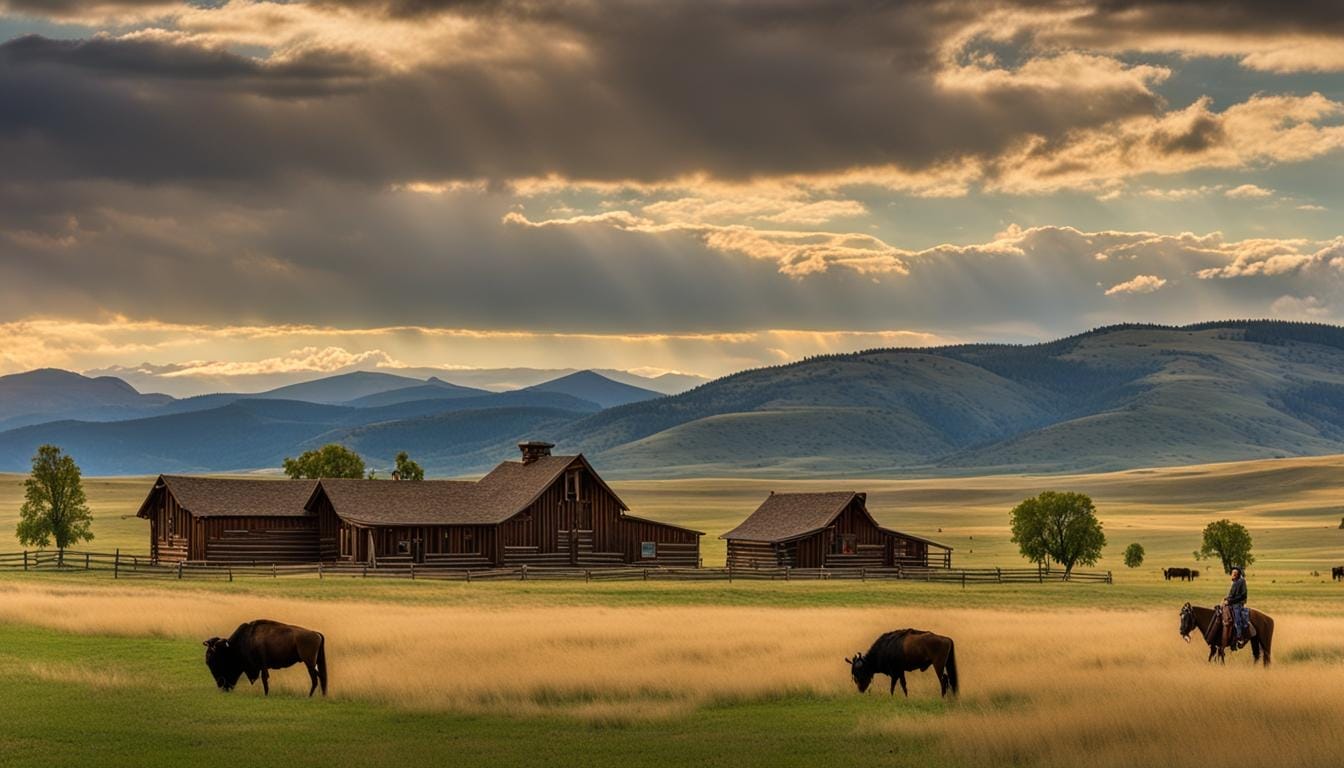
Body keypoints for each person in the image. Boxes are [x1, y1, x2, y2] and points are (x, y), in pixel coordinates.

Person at [1225, 566, 1249, 646]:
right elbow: (1230, 595)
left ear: (1238, 574)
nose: (1234, 574)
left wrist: (1230, 601)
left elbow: (1243, 595)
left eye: (1235, 573)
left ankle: (1240, 637)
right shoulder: (1233, 583)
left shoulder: (1242, 581)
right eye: (1232, 573)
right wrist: (1226, 599)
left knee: (1237, 620)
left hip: (1237, 604)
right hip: (1231, 603)